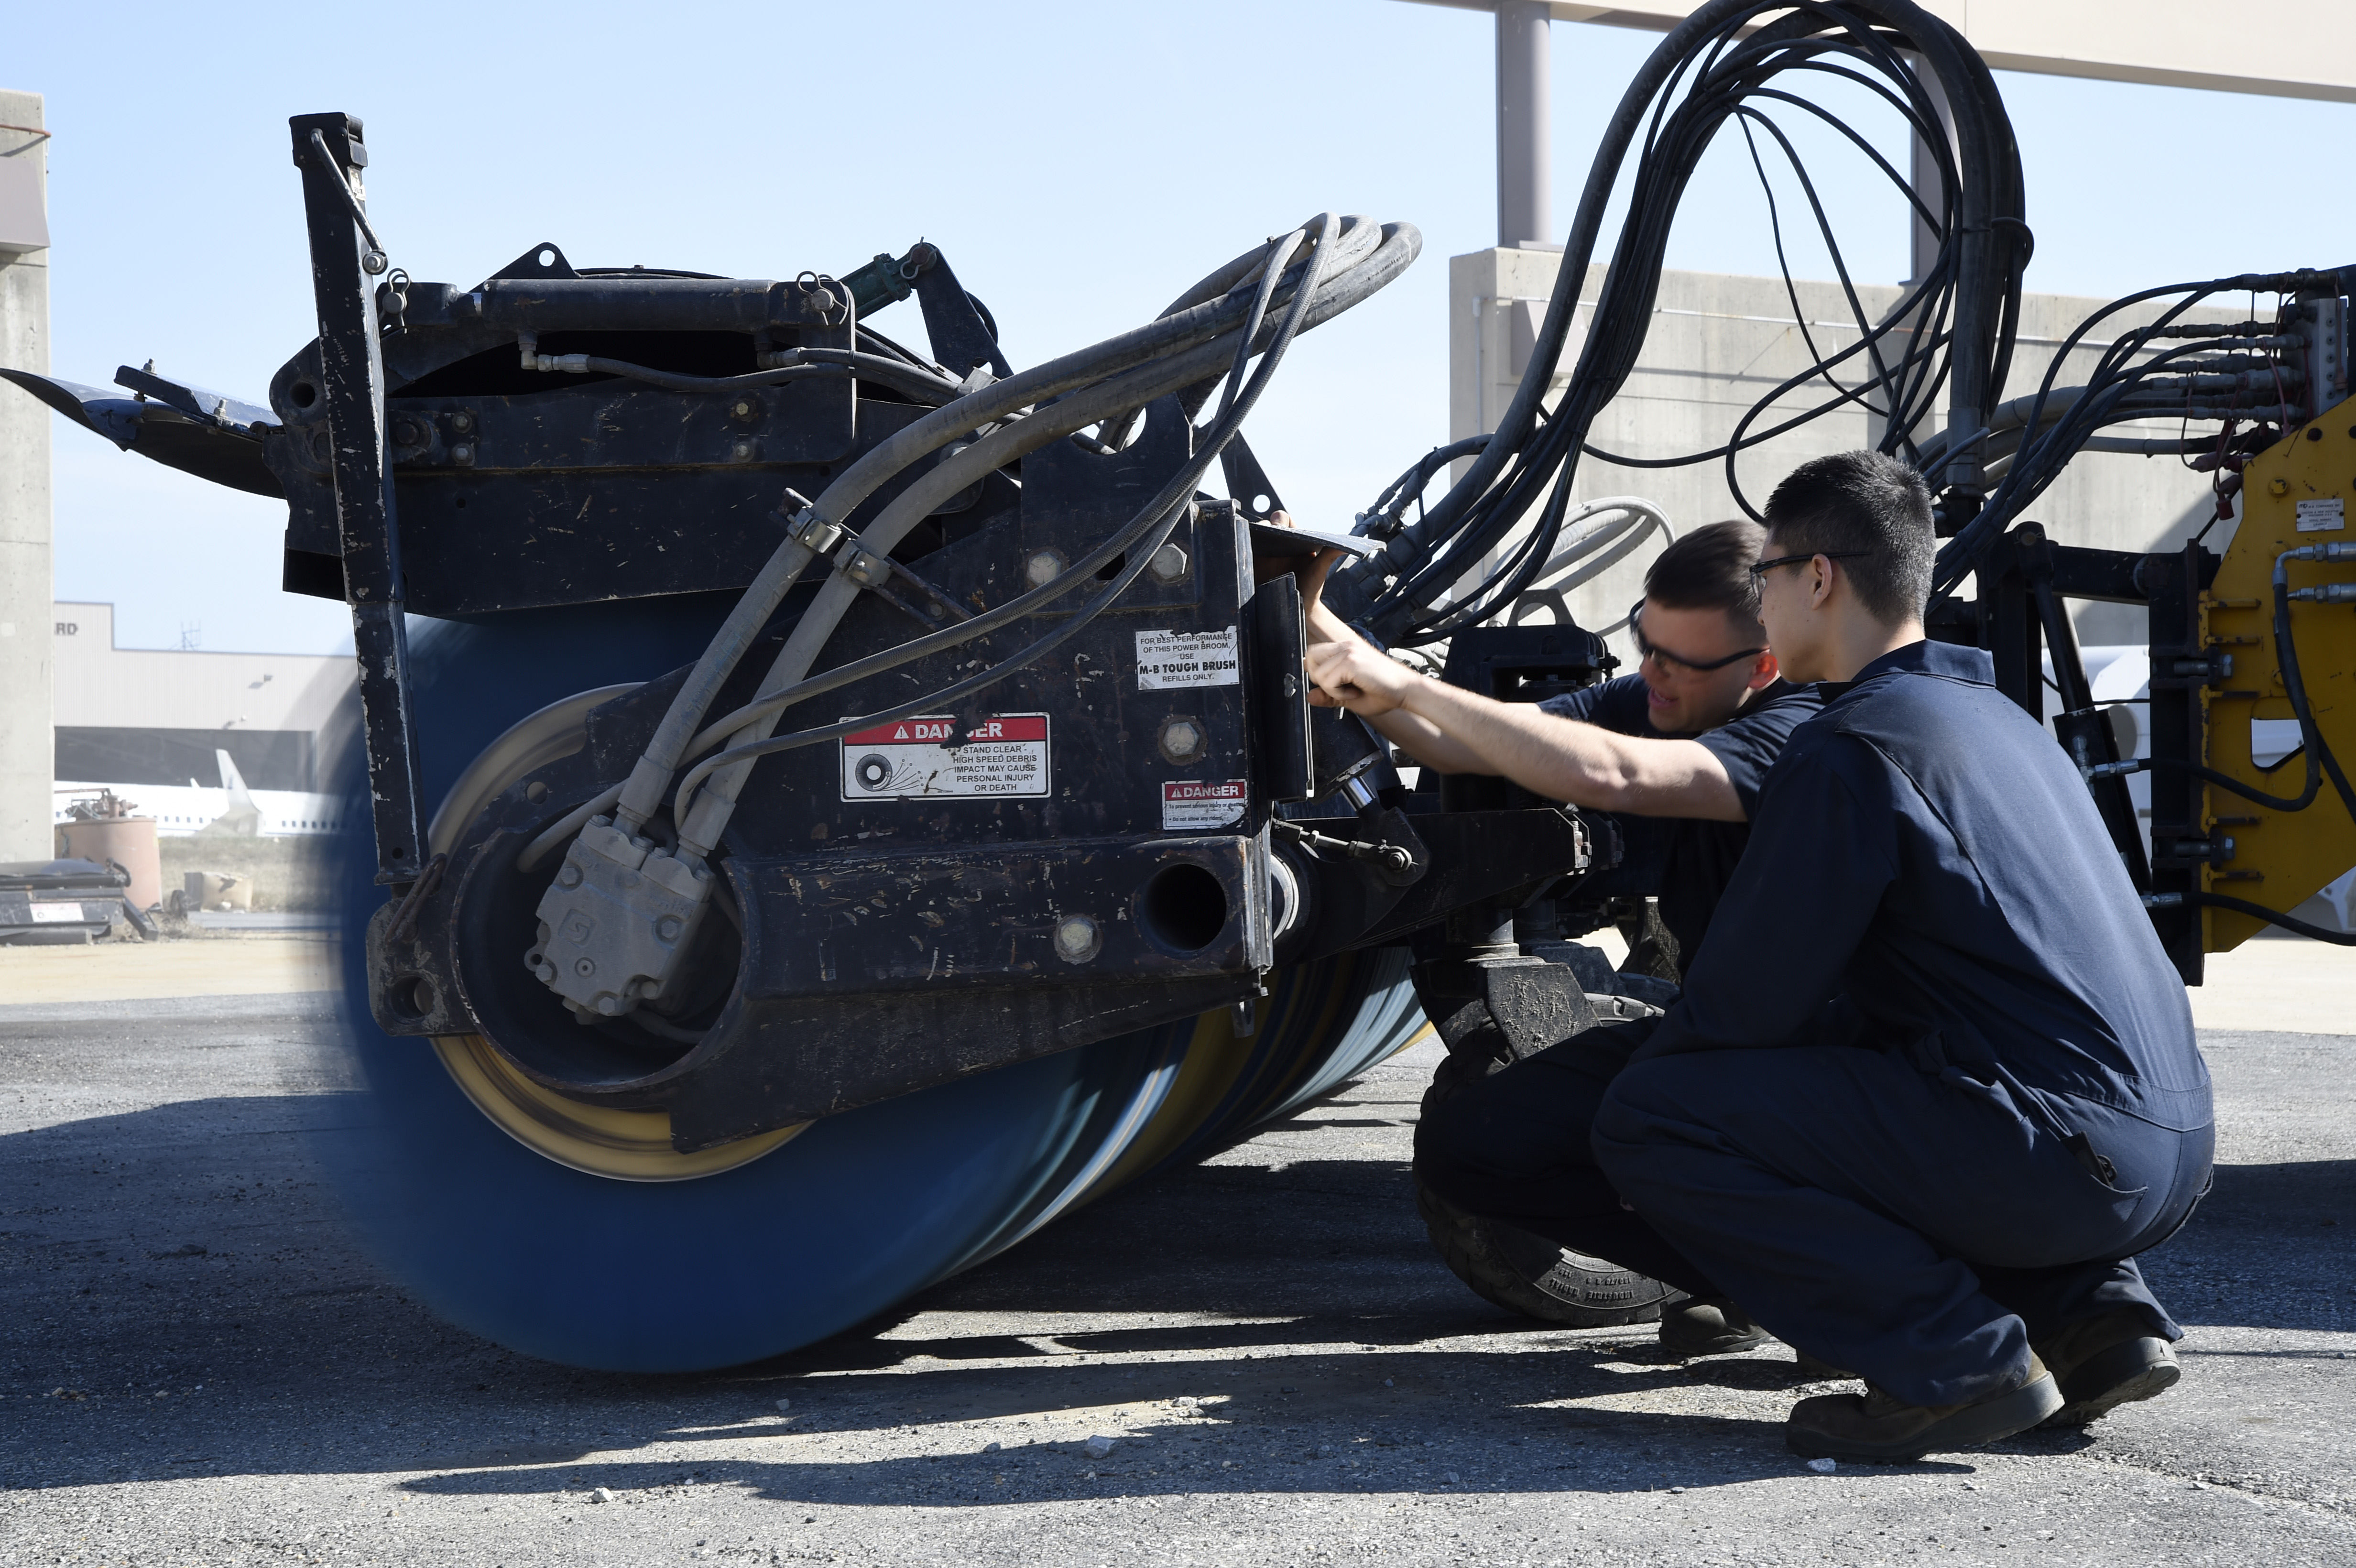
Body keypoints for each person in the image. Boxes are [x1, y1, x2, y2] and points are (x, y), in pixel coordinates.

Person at [1406, 451, 2213, 1461]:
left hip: (2056, 1157)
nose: (1764, 595)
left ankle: (1952, 1357)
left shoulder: (1851, 747)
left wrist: (1695, 1198)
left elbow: (1744, 1009)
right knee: (1833, 1077)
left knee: (1657, 1118)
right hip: (2163, 1151)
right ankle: (2088, 1315)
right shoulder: (1994, 717)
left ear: (1818, 577)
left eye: (1771, 575)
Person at [1295, 518, 1822, 974]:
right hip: (1721, 1013)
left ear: (1760, 667)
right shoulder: (1670, 693)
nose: (1646, 671)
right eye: (1645, 643)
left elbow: (1615, 774)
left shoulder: (1798, 733)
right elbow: (1469, 743)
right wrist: (1307, 611)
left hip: (1801, 1044)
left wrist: (1407, 685)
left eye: (1674, 661)